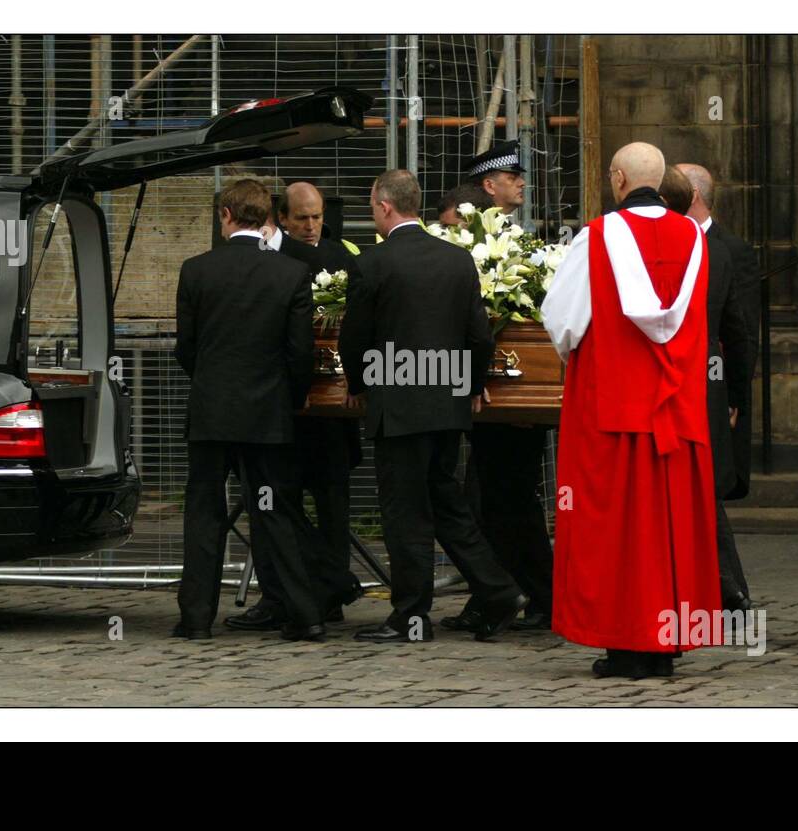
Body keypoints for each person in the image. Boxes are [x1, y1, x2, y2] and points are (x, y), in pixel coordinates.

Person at [541, 142, 721, 679]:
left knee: (617, 531)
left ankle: (626, 645)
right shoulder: (693, 235)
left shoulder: (595, 238)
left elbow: (564, 321)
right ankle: (667, 641)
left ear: (618, 178)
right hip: (677, 409)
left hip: (612, 409)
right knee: (669, 526)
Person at [339, 169, 529, 643]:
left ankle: (411, 615)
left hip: (398, 403)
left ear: (384, 206)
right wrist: (467, 384)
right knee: (448, 507)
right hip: (446, 403)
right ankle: (499, 590)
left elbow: (356, 337)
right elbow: (478, 334)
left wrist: (362, 382)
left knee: (405, 514)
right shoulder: (457, 260)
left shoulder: (374, 264)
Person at [172, 179, 325, 642]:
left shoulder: (196, 270)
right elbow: (300, 353)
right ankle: (304, 613)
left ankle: (197, 618)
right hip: (267, 411)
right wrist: (289, 399)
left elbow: (187, 348)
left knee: (204, 512)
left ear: (225, 214)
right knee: (275, 511)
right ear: (269, 219)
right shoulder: (289, 274)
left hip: (213, 409)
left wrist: (210, 381)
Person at [222, 183, 365, 633]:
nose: (311, 226)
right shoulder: (271, 260)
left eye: (318, 217)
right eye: (302, 217)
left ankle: (330, 591)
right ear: (280, 218)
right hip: (285, 408)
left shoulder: (342, 259)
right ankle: (285, 594)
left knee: (331, 504)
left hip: (328, 411)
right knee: (272, 503)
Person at [439, 144, 557, 634]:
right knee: (492, 500)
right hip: (496, 389)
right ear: (489, 186)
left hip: (512, 390)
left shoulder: (509, 247)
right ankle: (500, 594)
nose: (522, 183)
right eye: (514, 176)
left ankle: (538, 595)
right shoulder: (484, 241)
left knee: (506, 500)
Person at [677, 163, 761, 612]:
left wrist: (734, 399)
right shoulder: (667, 240)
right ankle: (722, 588)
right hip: (677, 389)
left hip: (709, 390)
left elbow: (742, 331)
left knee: (703, 488)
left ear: (691, 194)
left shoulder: (730, 249)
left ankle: (728, 589)